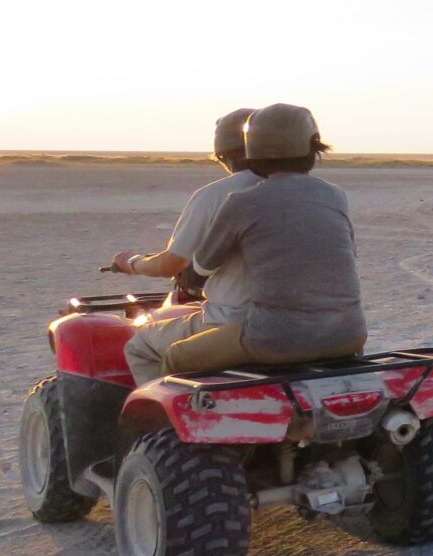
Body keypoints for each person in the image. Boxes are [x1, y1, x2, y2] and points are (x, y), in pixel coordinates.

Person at [158, 104, 368, 374]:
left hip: (274, 340)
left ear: (251, 152)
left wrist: (187, 279)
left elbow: (201, 268)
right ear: (313, 149)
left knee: (176, 357)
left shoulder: (242, 202)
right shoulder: (334, 195)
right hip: (349, 335)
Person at [108, 108, 257, 382]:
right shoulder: (314, 193)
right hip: (314, 323)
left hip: (238, 324)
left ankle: (157, 423)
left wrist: (132, 263)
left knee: (141, 345)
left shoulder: (217, 195)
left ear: (225, 154)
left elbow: (171, 263)